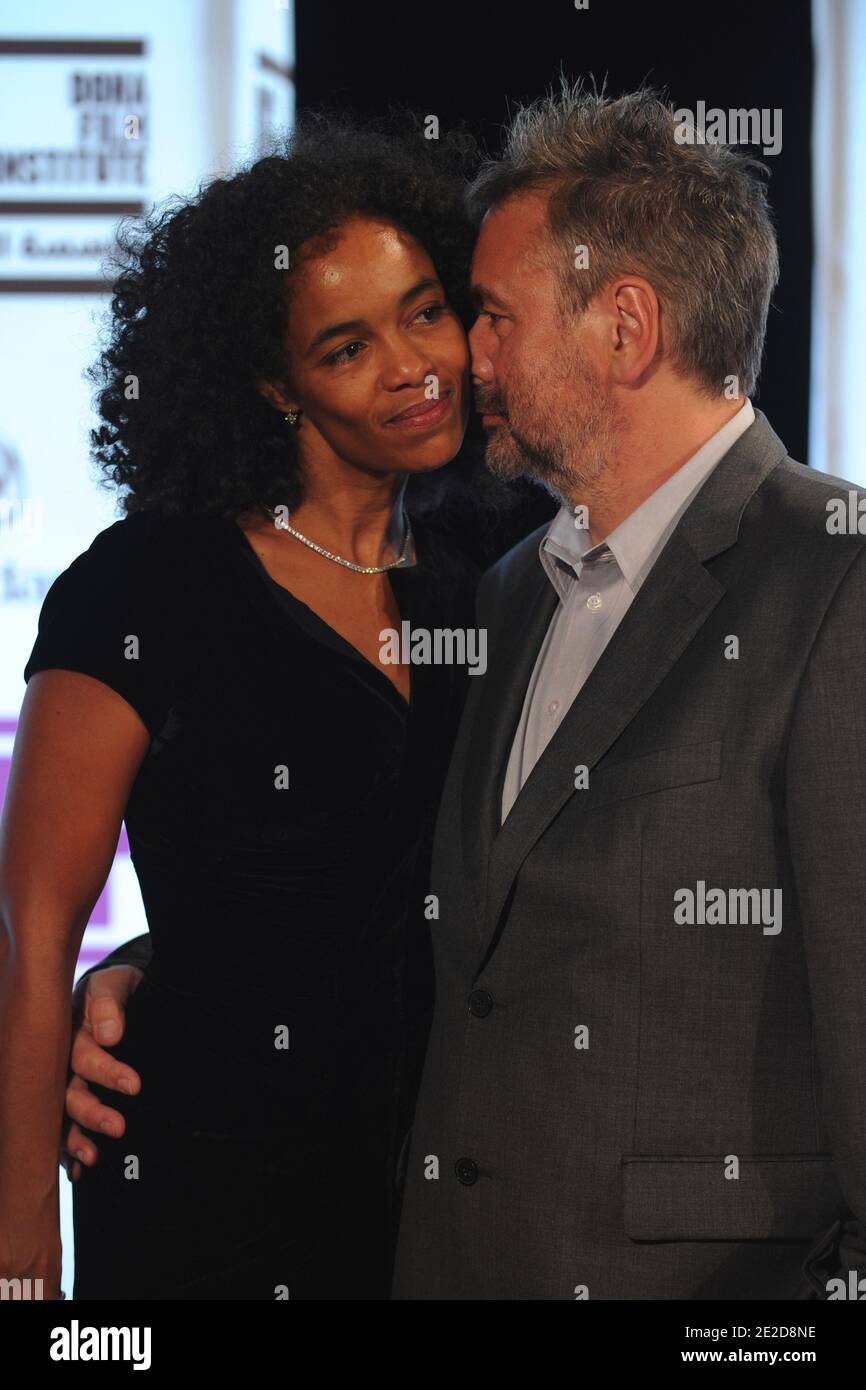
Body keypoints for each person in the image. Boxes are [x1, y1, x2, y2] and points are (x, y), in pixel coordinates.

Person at [385, 81, 866, 1299]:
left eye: (492, 317)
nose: (464, 357)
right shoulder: (508, 593)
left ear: (625, 326)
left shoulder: (835, 577)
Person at [0, 110, 490, 1300]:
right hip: (193, 1193)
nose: (412, 365)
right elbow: (32, 945)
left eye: (425, 310)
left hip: (421, 1200)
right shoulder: (146, 583)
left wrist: (161, 951)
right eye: (345, 346)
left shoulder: (485, 593)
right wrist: (21, 1252)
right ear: (274, 384)